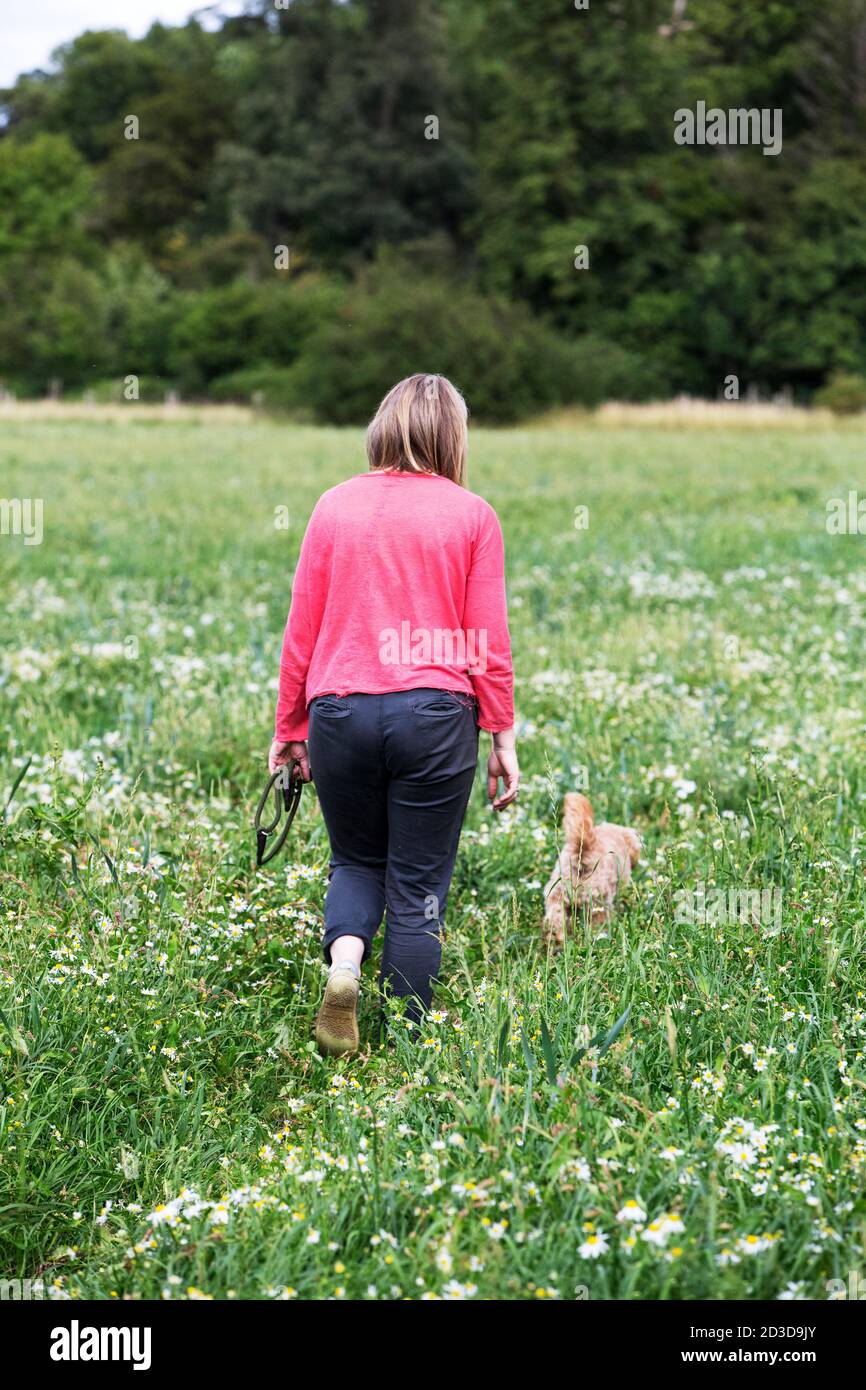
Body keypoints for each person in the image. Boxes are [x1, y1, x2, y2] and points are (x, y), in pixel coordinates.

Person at [269, 373, 518, 1055]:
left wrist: (290, 728)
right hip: (437, 716)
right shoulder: (472, 515)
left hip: (340, 711)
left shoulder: (332, 507)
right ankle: (409, 1047)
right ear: (453, 436)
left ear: (382, 425)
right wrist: (502, 734)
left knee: (353, 861)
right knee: (417, 884)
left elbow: (302, 630)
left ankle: (344, 966)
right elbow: (486, 641)